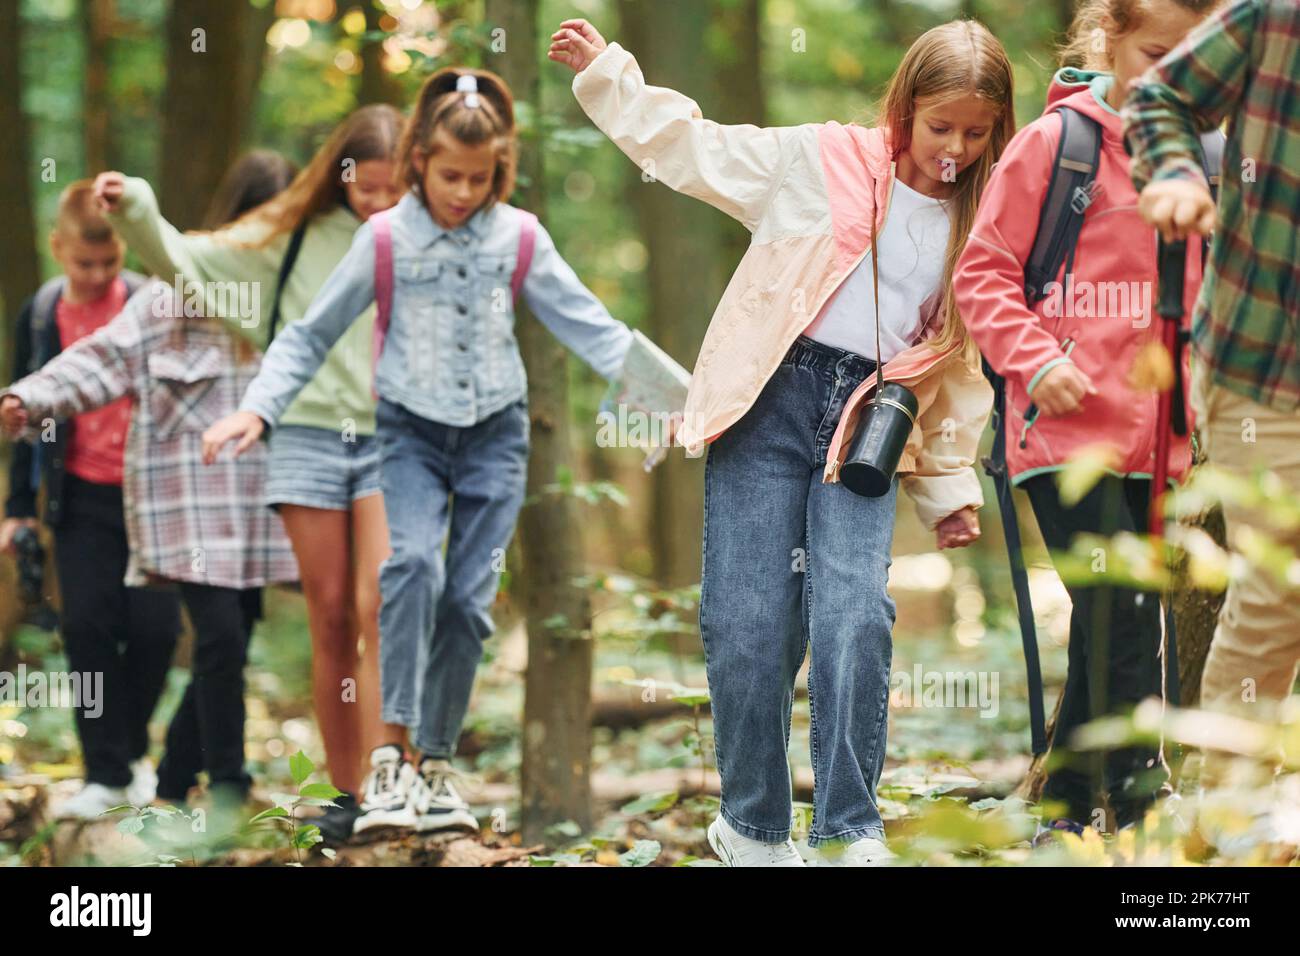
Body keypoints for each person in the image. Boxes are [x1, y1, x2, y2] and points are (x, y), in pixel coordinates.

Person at [551, 17, 1009, 865]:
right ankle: (753, 827)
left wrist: (948, 491)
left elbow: (956, 369)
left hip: (867, 427)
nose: (954, 148)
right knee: (749, 621)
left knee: (851, 616)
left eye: (976, 133)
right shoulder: (819, 160)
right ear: (904, 109)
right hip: (769, 398)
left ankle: (847, 829)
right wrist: (609, 74)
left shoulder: (980, 221)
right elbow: (695, 148)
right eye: (940, 126)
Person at [202, 68, 635, 837]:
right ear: (418, 163)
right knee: (410, 570)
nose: (462, 191)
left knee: (468, 602)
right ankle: (388, 763)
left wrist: (682, 397)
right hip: (407, 434)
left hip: (494, 437)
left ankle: (435, 762)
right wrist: (257, 411)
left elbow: (591, 325)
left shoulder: (520, 236)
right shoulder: (385, 237)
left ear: (499, 168)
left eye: (477, 177)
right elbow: (307, 334)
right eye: (447, 175)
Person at [92, 105, 404, 840]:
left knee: (382, 604)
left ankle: (396, 777)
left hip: (395, 438)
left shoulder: (423, 229)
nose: (380, 205)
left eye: (396, 189)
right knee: (328, 616)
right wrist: (135, 205)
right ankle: (347, 793)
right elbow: (186, 261)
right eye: (368, 188)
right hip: (306, 437)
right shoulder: (290, 237)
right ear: (340, 174)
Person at [954, 0, 1220, 834]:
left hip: (1159, 444)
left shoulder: (1204, 158)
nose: (1173, 74)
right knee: (1121, 605)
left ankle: (1063, 815)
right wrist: (1040, 360)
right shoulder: (1055, 145)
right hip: (1059, 432)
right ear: (1108, 35)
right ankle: (1140, 803)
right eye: (1156, 52)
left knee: (1117, 617)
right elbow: (984, 273)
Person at [1, 151, 301, 819]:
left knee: (196, 640)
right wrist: (28, 422)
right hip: (148, 500)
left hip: (257, 507)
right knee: (119, 629)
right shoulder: (156, 295)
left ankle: (153, 769)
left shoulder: (302, 290)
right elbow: (96, 361)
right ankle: (161, 780)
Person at [1124, 0, 1300, 789]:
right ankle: (1228, 819)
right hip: (1265, 365)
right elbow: (1160, 96)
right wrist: (1172, 171)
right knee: (1281, 585)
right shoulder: (1276, 20)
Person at [1, 181, 181, 818]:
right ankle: (104, 772)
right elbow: (27, 407)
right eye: (86, 264)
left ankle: (129, 749)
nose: (99, 275)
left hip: (150, 494)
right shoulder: (42, 312)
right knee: (85, 626)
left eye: (110, 263)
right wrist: (18, 508)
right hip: (78, 495)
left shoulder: (147, 301)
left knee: (157, 630)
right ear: (58, 249)